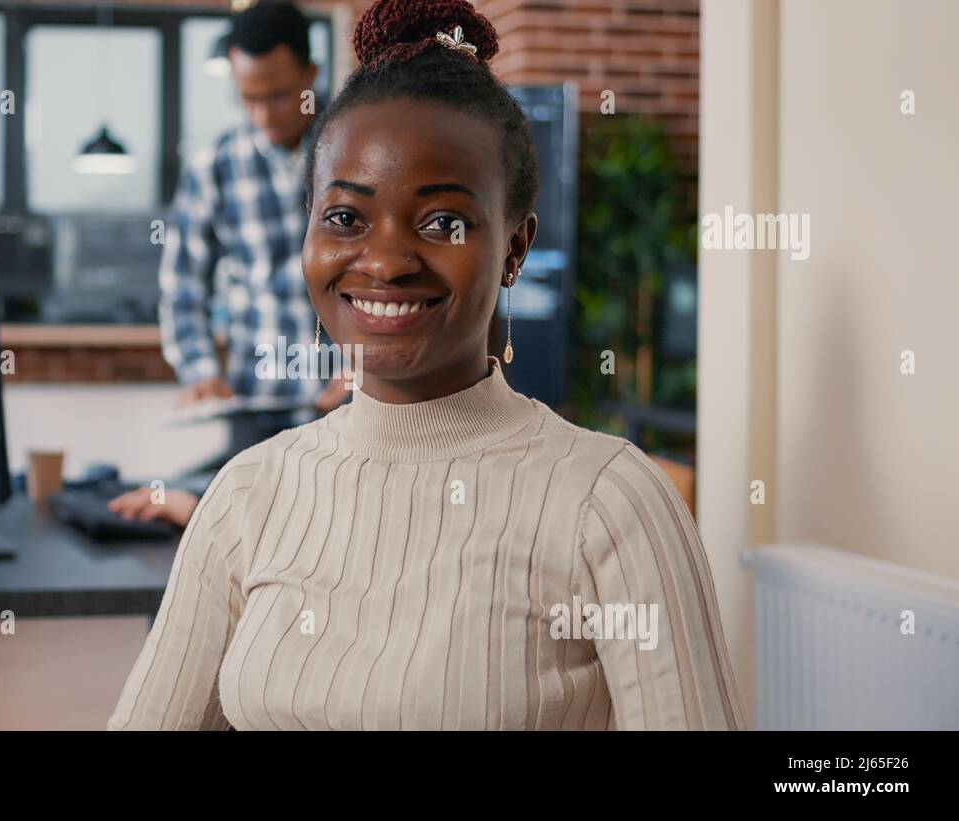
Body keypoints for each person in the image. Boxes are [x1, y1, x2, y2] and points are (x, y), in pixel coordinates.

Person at [108, 0, 745, 730]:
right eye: (345, 217)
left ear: (514, 246)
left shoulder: (610, 501)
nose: (383, 260)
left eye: (445, 221)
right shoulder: (247, 493)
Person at [109, 0, 347, 529]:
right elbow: (183, 288)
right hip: (256, 411)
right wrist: (199, 371)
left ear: (310, 74)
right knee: (231, 549)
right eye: (248, 99)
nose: (263, 115)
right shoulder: (213, 167)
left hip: (350, 410)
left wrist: (371, 362)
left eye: (279, 96)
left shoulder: (356, 146)